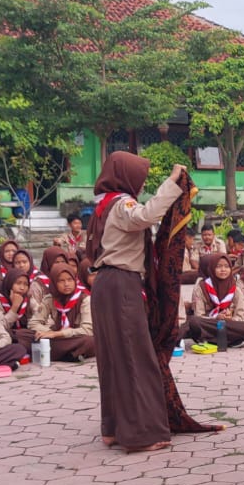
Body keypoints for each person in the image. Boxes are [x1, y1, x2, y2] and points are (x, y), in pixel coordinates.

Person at [86, 151, 189, 452]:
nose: (141, 185)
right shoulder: (121, 203)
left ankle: (113, 428)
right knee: (135, 356)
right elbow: (146, 216)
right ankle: (143, 434)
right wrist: (172, 182)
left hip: (105, 285)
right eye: (139, 178)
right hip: (121, 284)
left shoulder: (103, 205)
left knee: (113, 358)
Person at [185, 253, 244, 349]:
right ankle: (231, 341)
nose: (223, 269)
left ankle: (211, 340)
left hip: (229, 325)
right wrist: (216, 317)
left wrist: (230, 319)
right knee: (194, 322)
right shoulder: (202, 287)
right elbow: (199, 315)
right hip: (210, 324)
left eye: (226, 266)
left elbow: (241, 318)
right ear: (212, 268)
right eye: (219, 266)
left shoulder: (235, 288)